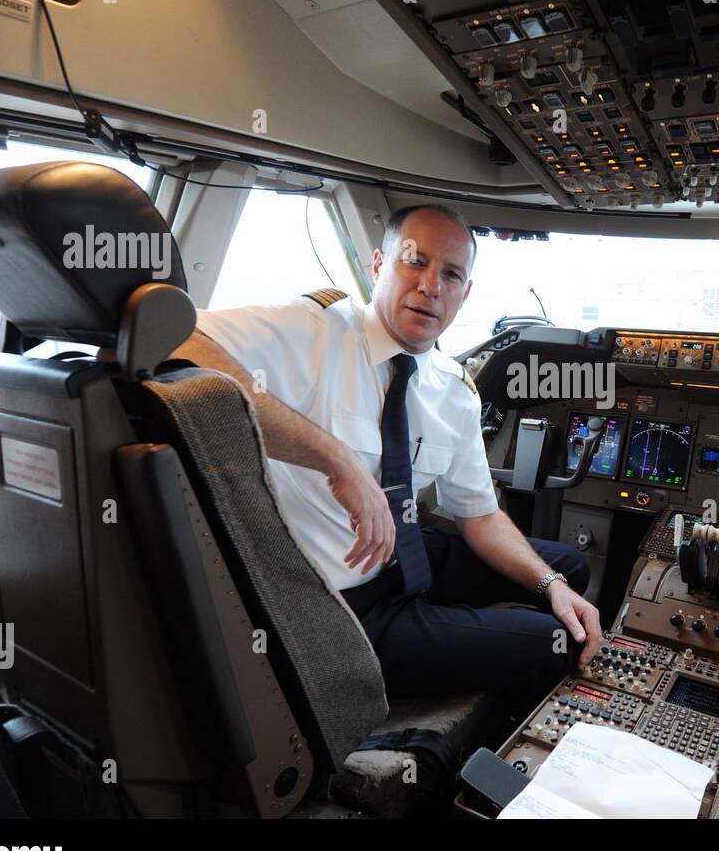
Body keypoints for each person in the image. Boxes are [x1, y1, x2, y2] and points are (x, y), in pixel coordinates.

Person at [177, 204, 601, 699]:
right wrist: (336, 459)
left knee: (568, 570)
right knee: (554, 642)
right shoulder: (313, 331)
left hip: (402, 559)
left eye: (451, 274)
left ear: (465, 294)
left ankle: (451, 624)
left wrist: (550, 586)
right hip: (333, 603)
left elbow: (481, 516)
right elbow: (177, 340)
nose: (431, 285)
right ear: (378, 265)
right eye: (414, 262)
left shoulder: (453, 389)